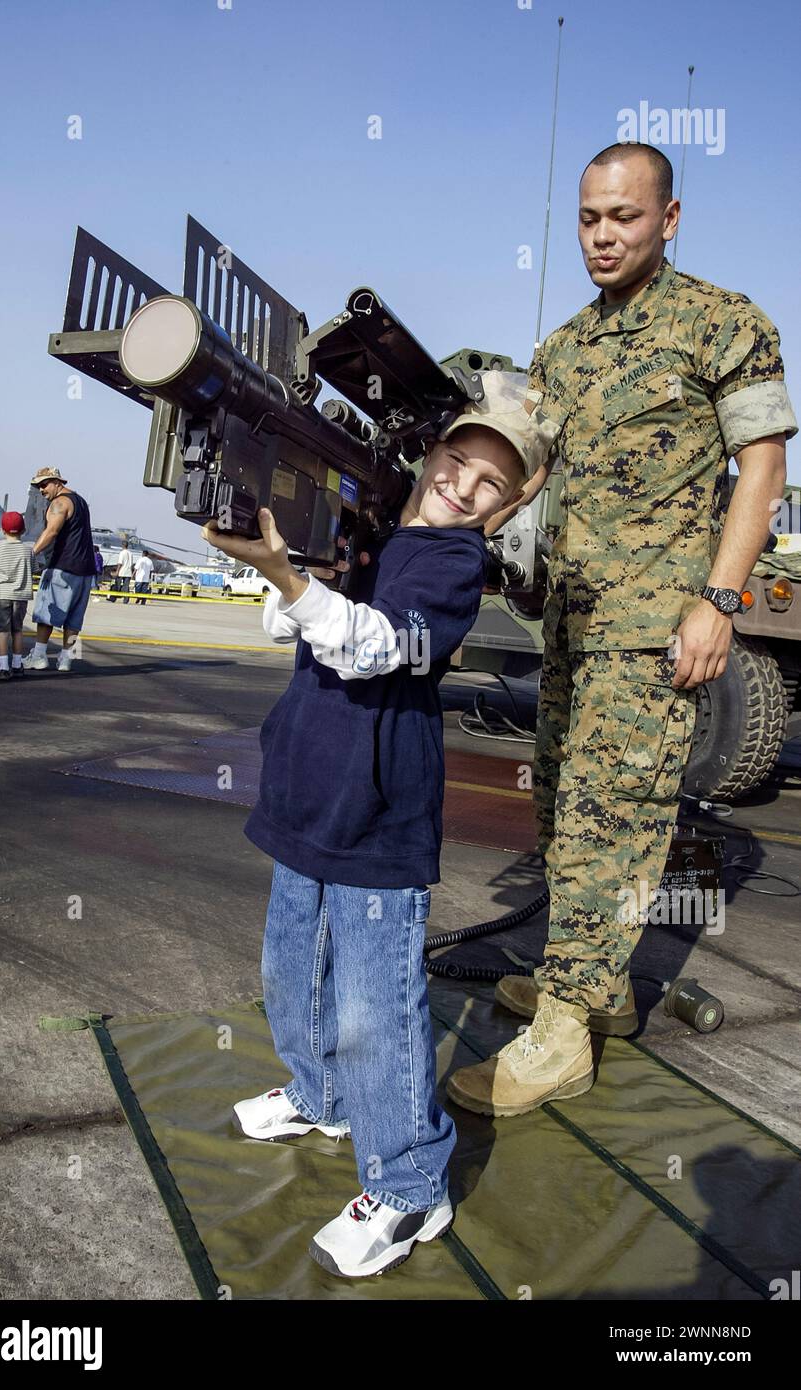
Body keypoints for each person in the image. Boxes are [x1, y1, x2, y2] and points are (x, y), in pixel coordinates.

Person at [447, 142, 798, 1119]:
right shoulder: (561, 350)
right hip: (569, 626)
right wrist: (503, 551)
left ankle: (560, 1038)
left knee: (616, 830)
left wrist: (718, 604)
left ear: (669, 218)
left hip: (654, 632)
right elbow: (535, 485)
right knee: (566, 823)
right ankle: (592, 991)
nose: (603, 236)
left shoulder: (725, 323)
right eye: (589, 218)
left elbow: (760, 473)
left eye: (624, 218)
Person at [204, 371, 553, 1278]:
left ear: (513, 502)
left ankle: (408, 1189)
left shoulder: (452, 567)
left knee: (376, 1010)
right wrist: (293, 571)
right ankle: (321, 1095)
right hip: (308, 790)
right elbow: (299, 633)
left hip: (379, 809)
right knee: (291, 963)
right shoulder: (381, 537)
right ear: (431, 454)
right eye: (456, 460)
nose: (463, 485)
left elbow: (372, 650)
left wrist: (288, 574)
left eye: (490, 482)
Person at [22, 467, 97, 674]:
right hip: (86, 569)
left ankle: (39, 656)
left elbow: (52, 531)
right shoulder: (80, 501)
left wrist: (32, 553)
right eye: (38, 486)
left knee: (46, 613)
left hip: (62, 567)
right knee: (74, 618)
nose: (41, 489)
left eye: (44, 484)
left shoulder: (59, 502)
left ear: (57, 482)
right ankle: (66, 658)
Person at [0, 511, 33, 681]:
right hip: (21, 594)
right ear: (23, 529)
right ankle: (17, 664)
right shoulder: (28, 549)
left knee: (1, 630)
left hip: (1, 594)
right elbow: (34, 568)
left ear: (2, 529)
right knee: (17, 630)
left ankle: (3, 667)